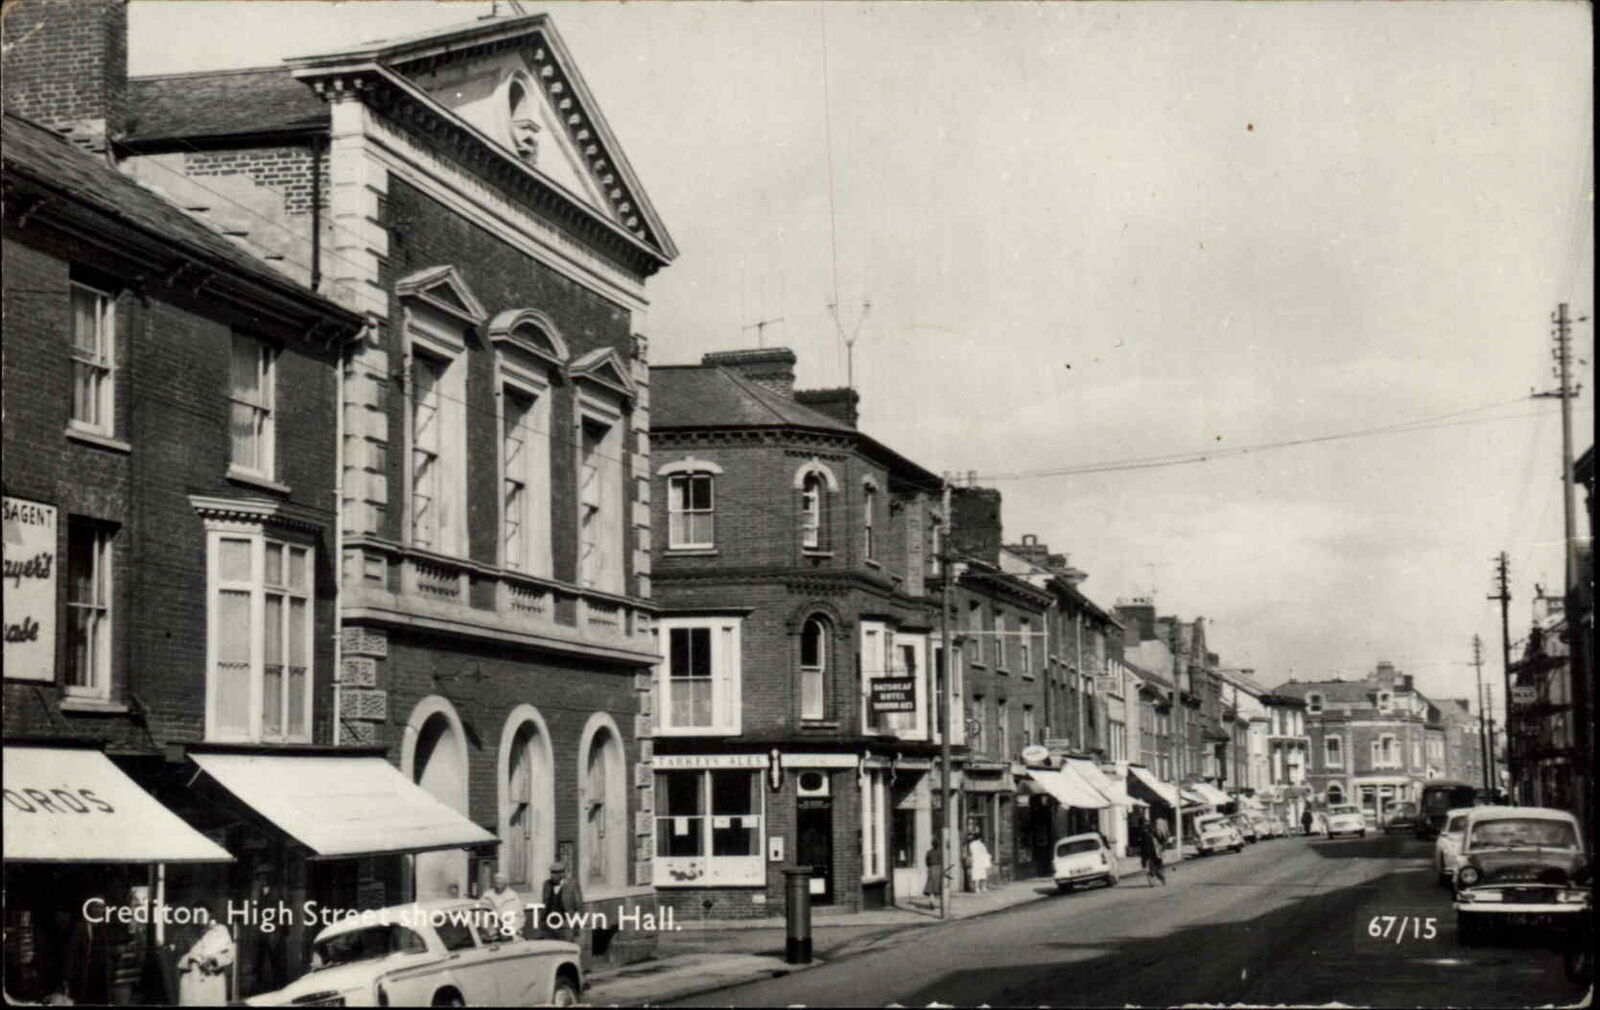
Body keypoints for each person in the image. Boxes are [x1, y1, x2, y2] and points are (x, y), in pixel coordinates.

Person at [177, 910, 233, 1006]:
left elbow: (230, 955)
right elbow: (178, 957)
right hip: (191, 983)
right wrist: (190, 958)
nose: (200, 916)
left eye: (202, 913)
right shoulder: (186, 931)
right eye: (197, 912)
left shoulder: (221, 931)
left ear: (210, 914)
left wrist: (215, 960)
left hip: (213, 983)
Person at [537, 859, 584, 944]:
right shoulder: (547, 884)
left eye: (555, 873)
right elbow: (544, 904)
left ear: (562, 874)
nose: (552, 875)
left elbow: (579, 906)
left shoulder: (572, 885)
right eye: (551, 872)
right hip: (549, 924)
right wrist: (542, 922)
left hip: (566, 924)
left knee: (567, 948)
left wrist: (576, 926)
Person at [485, 872, 525, 939]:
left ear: (506, 884)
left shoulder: (512, 896)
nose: (498, 885)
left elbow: (520, 916)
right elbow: (480, 914)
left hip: (510, 932)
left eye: (501, 883)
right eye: (496, 883)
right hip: (491, 933)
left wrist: (512, 929)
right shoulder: (487, 895)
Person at [1137, 820, 1166, 886]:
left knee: (1156, 869)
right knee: (1151, 868)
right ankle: (1154, 880)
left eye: (1146, 826)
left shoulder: (1154, 832)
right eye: (1144, 826)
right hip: (1148, 853)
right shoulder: (1142, 834)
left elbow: (1161, 840)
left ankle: (1161, 878)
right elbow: (1140, 844)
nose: (1145, 828)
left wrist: (1161, 848)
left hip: (1155, 853)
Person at [922, 842, 944, 907]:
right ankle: (940, 903)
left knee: (931, 886)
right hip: (938, 868)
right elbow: (942, 861)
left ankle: (932, 901)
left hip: (931, 868)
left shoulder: (929, 852)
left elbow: (926, 861)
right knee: (938, 886)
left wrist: (929, 867)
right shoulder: (940, 852)